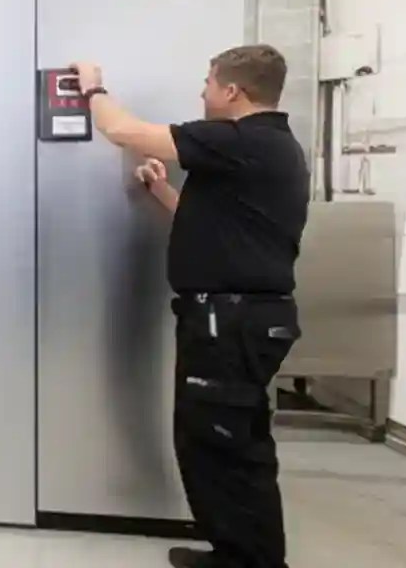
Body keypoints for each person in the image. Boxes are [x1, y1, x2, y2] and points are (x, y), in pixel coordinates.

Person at [69, 45, 309, 568]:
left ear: (232, 91)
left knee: (227, 446)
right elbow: (219, 230)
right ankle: (236, 554)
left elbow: (125, 132)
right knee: (221, 443)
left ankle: (252, 563)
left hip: (232, 321)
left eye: (208, 82)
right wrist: (160, 191)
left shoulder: (247, 140)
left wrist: (91, 86)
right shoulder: (262, 148)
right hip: (236, 318)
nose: (202, 92)